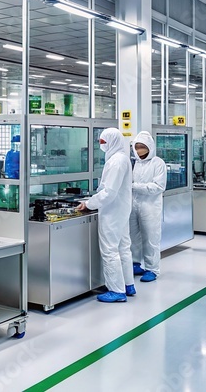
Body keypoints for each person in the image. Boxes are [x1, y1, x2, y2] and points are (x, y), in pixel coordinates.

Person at [77, 128, 135, 302]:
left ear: (113, 141)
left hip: (112, 211)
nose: (101, 145)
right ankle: (128, 284)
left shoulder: (116, 161)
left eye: (104, 142)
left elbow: (109, 192)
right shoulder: (121, 158)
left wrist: (89, 204)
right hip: (121, 209)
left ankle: (117, 290)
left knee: (110, 250)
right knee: (123, 248)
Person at [129, 131, 166, 283]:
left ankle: (152, 269)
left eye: (142, 146)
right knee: (133, 237)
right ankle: (135, 263)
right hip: (133, 204)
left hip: (150, 206)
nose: (139, 150)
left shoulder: (158, 163)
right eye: (137, 147)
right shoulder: (134, 163)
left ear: (150, 147)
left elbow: (158, 186)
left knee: (151, 238)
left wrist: (134, 186)